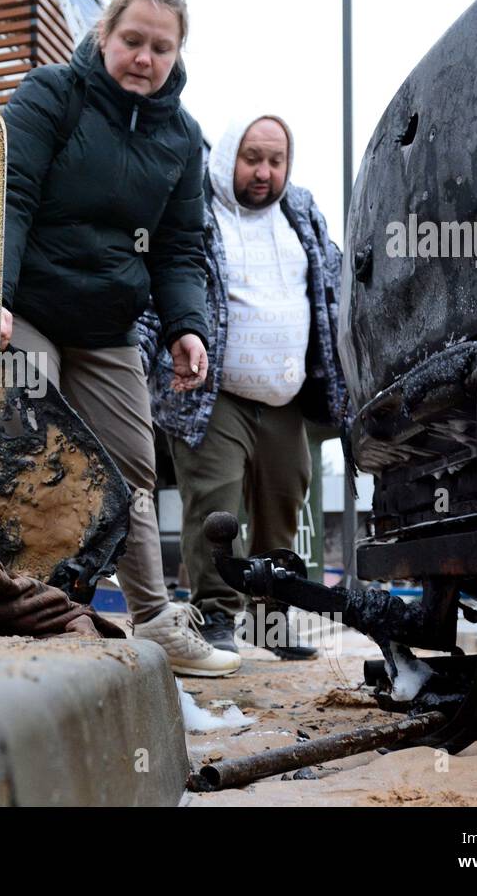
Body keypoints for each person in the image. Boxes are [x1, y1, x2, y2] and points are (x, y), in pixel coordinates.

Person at [0, 0, 240, 676]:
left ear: (178, 54)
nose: (143, 57)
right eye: (132, 40)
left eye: (160, 47)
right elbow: (9, 192)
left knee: (134, 466)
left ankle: (157, 619)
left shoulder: (182, 140)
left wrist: (184, 328)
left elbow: (177, 248)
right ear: (105, 36)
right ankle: (25, 603)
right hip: (33, 306)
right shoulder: (53, 95)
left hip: (107, 326)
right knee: (31, 440)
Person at [139, 115, 347, 660]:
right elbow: (165, 276)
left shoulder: (301, 212)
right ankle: (215, 616)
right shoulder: (196, 208)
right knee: (215, 505)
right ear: (229, 155)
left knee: (283, 505)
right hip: (213, 393)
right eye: (252, 158)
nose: (264, 172)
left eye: (276, 161)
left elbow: (334, 280)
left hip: (284, 399)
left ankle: (269, 623)